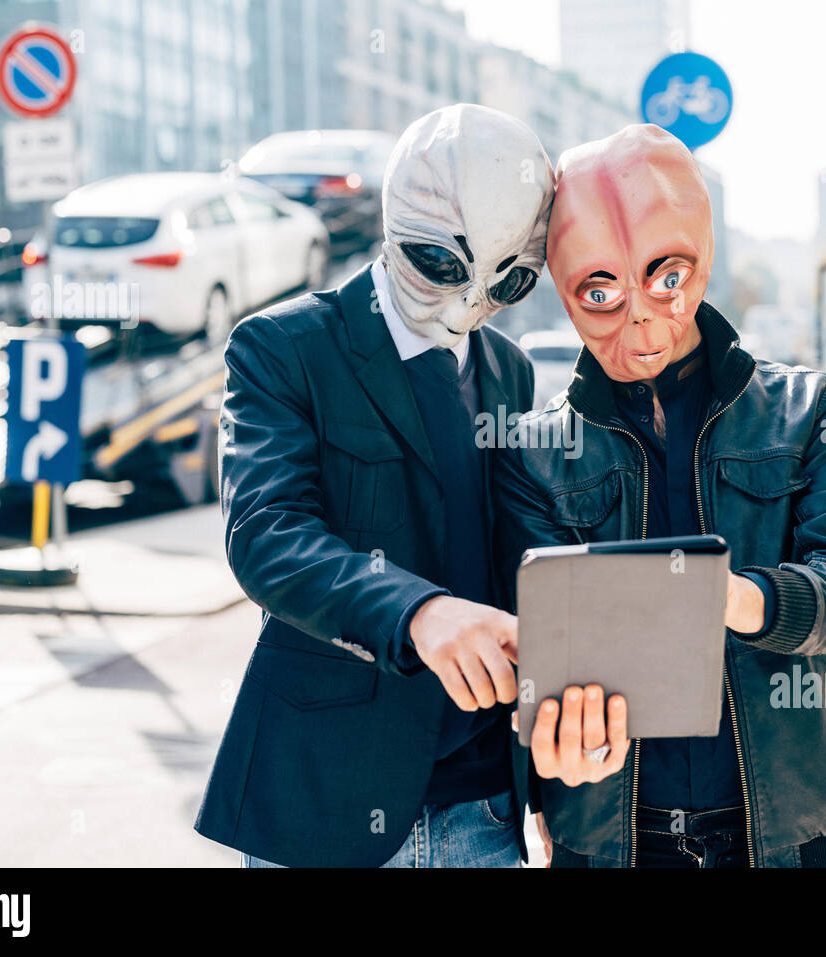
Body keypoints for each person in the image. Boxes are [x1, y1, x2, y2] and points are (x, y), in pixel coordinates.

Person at [495, 125, 826, 868]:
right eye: (601, 292)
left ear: (700, 260)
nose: (640, 321)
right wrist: (552, 758)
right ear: (566, 289)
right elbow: (531, 649)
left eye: (664, 279)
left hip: (798, 833)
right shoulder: (530, 452)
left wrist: (733, 600)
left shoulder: (810, 410)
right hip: (614, 842)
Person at [194, 104, 553, 867]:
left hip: (485, 810)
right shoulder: (285, 348)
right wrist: (416, 611)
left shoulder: (512, 375)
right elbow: (266, 534)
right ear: (399, 222)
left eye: (508, 282)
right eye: (444, 266)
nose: (467, 304)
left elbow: (527, 561)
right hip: (325, 800)